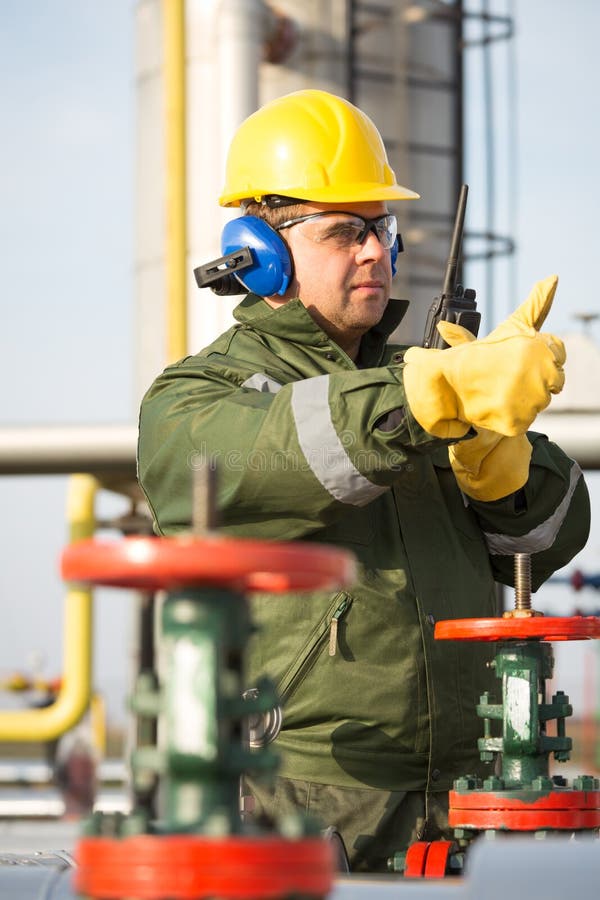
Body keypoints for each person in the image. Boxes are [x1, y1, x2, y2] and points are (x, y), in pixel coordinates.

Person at [137, 89, 590, 871]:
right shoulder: (197, 397)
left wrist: (505, 466)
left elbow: (548, 540)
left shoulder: (426, 386)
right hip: (307, 806)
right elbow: (262, 454)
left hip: (473, 802)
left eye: (381, 228)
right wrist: (426, 395)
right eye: (346, 231)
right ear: (261, 250)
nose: (376, 251)